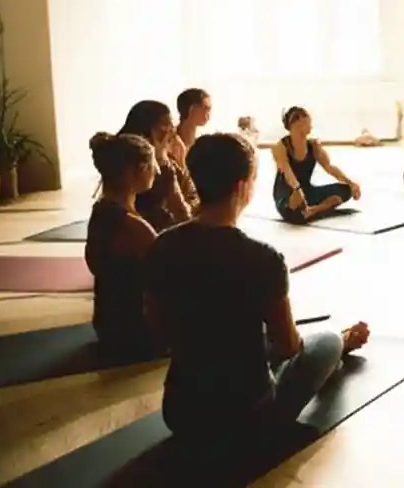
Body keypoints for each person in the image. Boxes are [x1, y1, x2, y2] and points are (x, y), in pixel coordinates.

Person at [145, 133, 370, 448]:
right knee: (328, 339)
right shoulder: (262, 258)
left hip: (181, 412)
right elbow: (289, 346)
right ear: (241, 187)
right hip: (249, 415)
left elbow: (157, 328)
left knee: (235, 341)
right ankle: (342, 342)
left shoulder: (162, 245)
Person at [84, 132, 161, 359]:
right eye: (150, 164)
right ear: (131, 172)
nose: (156, 171)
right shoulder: (132, 226)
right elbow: (170, 275)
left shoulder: (100, 213)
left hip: (107, 326)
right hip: (137, 333)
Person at [272, 107, 361, 224]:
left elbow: (329, 167)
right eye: (306, 119)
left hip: (307, 191)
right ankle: (307, 209)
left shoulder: (313, 145)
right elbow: (287, 172)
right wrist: (297, 189)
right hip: (288, 194)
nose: (310, 124)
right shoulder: (280, 147)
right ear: (295, 123)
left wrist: (351, 183)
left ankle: (313, 210)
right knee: (295, 206)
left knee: (345, 190)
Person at [118, 100, 196, 231]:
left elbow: (191, 195)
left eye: (171, 128)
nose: (170, 134)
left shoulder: (169, 163)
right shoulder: (140, 168)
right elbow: (181, 213)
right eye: (165, 128)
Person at [170, 88, 212, 163]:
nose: (208, 114)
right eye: (206, 108)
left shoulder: (201, 144)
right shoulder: (170, 142)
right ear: (191, 109)